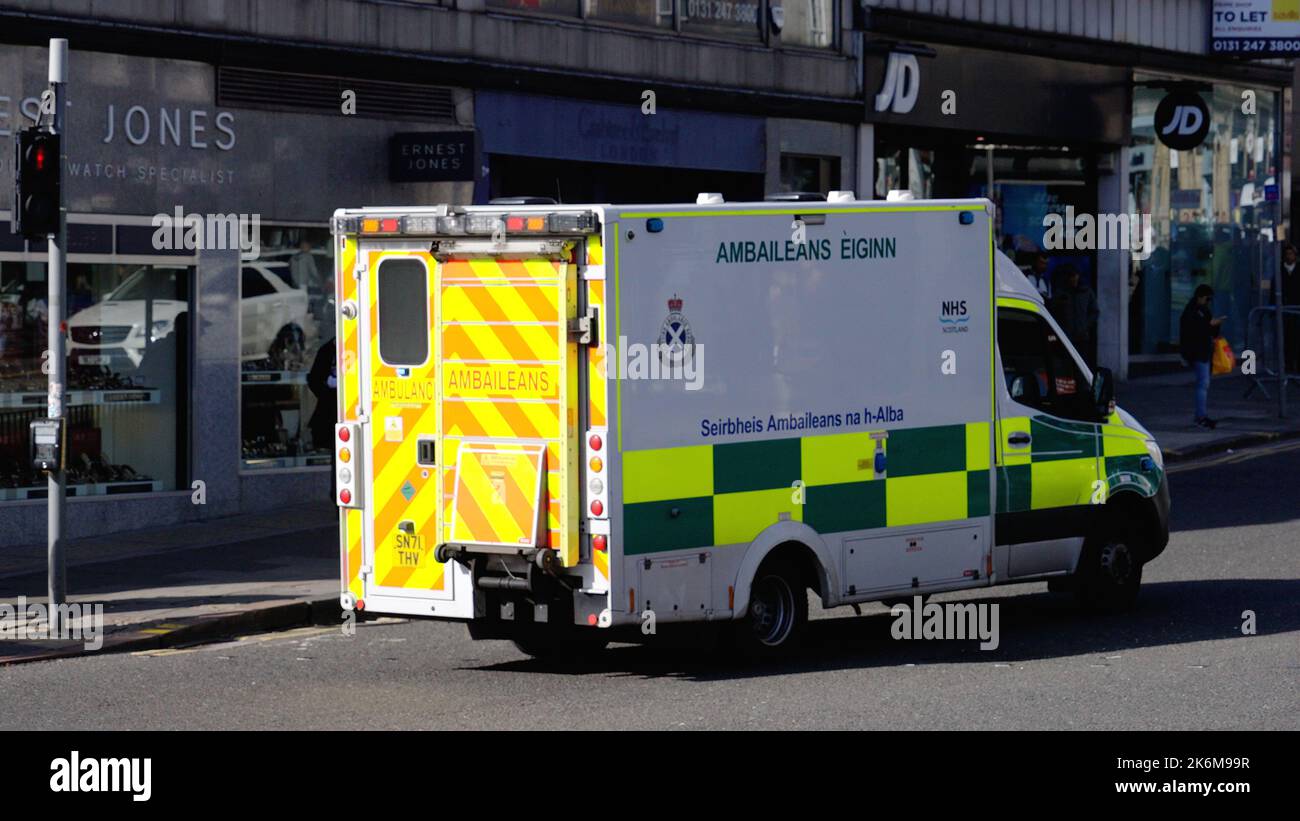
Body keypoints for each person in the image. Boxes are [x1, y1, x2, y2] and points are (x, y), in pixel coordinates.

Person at [1180, 284, 1224, 430]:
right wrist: (1210, 324)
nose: (1208, 301)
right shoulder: (1191, 311)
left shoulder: (1203, 310)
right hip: (1198, 352)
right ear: (1200, 297)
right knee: (1203, 384)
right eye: (1207, 298)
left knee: (1203, 384)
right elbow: (1194, 332)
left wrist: (1214, 325)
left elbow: (1212, 332)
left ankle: (1201, 415)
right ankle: (1201, 417)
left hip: (1204, 351)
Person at [1050, 265, 1099, 366]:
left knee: (1082, 364)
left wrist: (1085, 325)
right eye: (1071, 276)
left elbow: (1094, 311)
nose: (1074, 278)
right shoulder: (1061, 293)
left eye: (1075, 275)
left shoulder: (1086, 292)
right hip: (1066, 338)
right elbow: (1053, 312)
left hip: (1082, 337)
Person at [307, 338, 338, 497]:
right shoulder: (327, 350)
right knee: (339, 459)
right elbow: (314, 380)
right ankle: (337, 498)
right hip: (333, 415)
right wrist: (329, 387)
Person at [1281, 243, 1299, 375]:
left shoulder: (1298, 269)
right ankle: (1288, 364)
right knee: (1286, 337)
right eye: (1287, 254)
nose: (1289, 256)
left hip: (1296, 308)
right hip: (1284, 308)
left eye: (1291, 254)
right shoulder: (1280, 270)